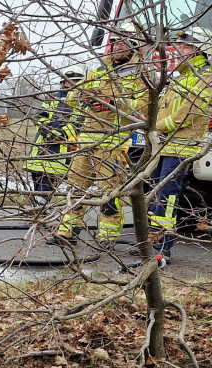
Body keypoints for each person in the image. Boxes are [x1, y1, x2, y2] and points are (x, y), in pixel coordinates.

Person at [47, 21, 146, 248]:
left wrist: (112, 102)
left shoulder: (140, 73)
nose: (116, 47)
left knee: (110, 191)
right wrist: (82, 96)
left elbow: (142, 106)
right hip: (87, 137)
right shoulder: (100, 69)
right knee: (75, 187)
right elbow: (72, 96)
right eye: (114, 42)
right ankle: (67, 232)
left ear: (134, 45)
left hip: (114, 142)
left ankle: (107, 237)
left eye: (122, 43)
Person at [142, 27, 212, 262]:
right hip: (164, 144)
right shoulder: (180, 76)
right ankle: (151, 242)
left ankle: (163, 246)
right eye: (178, 45)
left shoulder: (205, 76)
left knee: (168, 196)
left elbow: (187, 114)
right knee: (155, 192)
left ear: (198, 49)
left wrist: (155, 127)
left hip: (181, 146)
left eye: (184, 45)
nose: (178, 49)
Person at [25, 68, 84, 206]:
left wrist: (60, 134)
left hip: (61, 152)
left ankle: (39, 211)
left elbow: (80, 123)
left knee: (47, 185)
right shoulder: (52, 98)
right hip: (41, 150)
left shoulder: (82, 101)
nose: (70, 84)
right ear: (62, 82)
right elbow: (40, 116)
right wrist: (46, 130)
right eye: (68, 81)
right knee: (38, 184)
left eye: (75, 81)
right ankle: (39, 209)